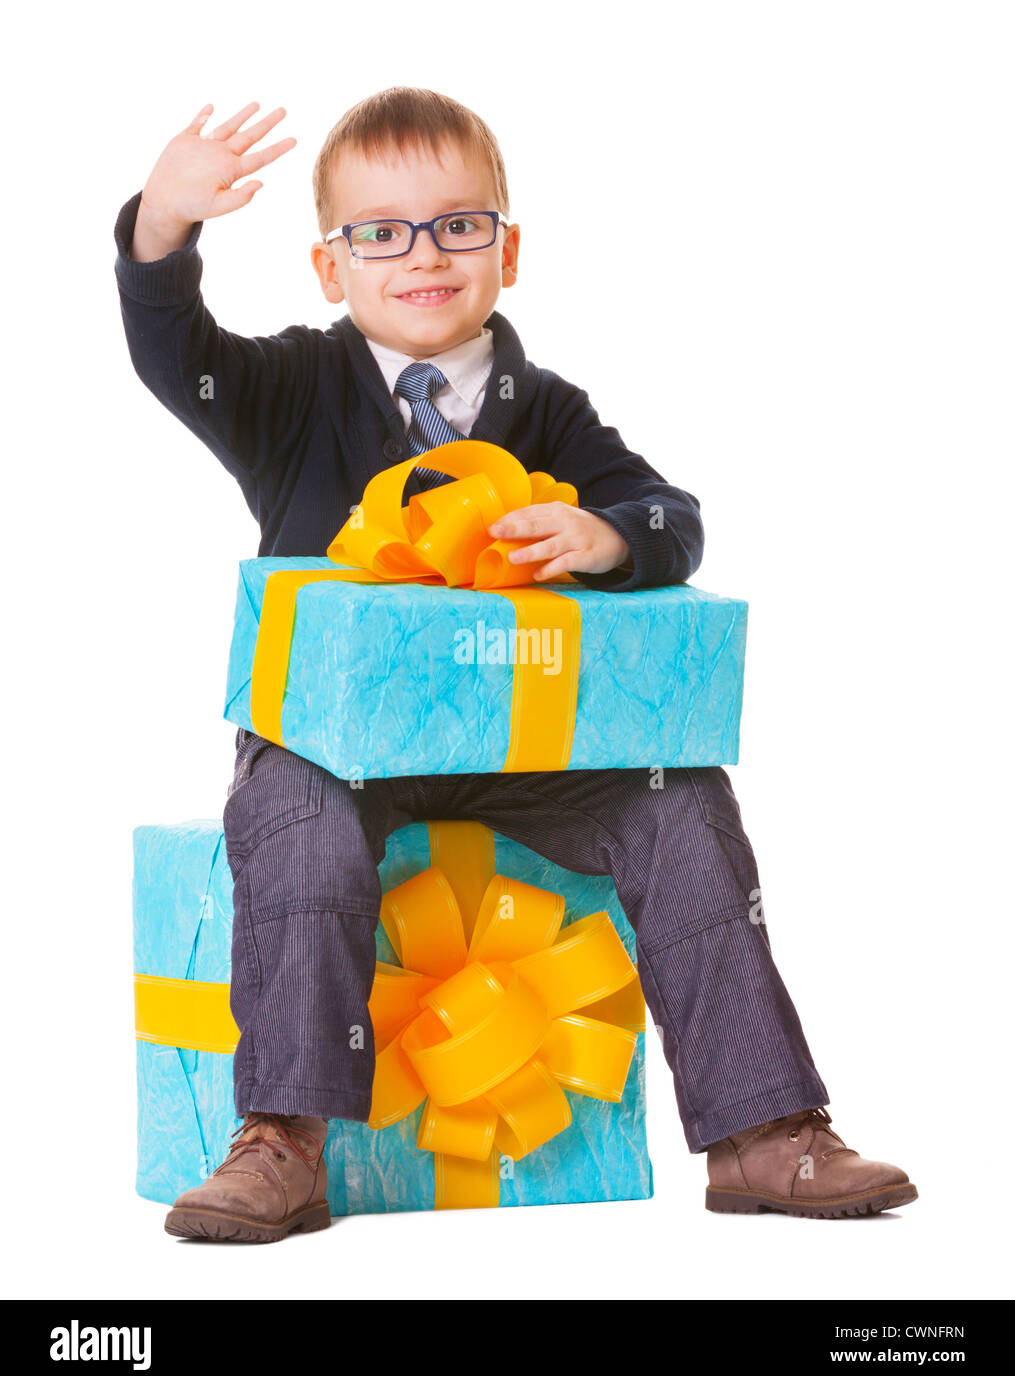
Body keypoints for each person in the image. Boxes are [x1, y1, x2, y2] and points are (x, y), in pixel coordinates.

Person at [116, 87, 916, 1242]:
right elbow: (172, 354)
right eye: (379, 232)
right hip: (333, 755)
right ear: (330, 268)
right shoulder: (286, 395)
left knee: (677, 795)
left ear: (509, 249)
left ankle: (764, 1129)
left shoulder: (548, 411)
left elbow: (670, 516)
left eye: (459, 224)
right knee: (292, 811)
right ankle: (283, 1135)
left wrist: (605, 539)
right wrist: (162, 231)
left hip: (525, 754)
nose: (423, 254)